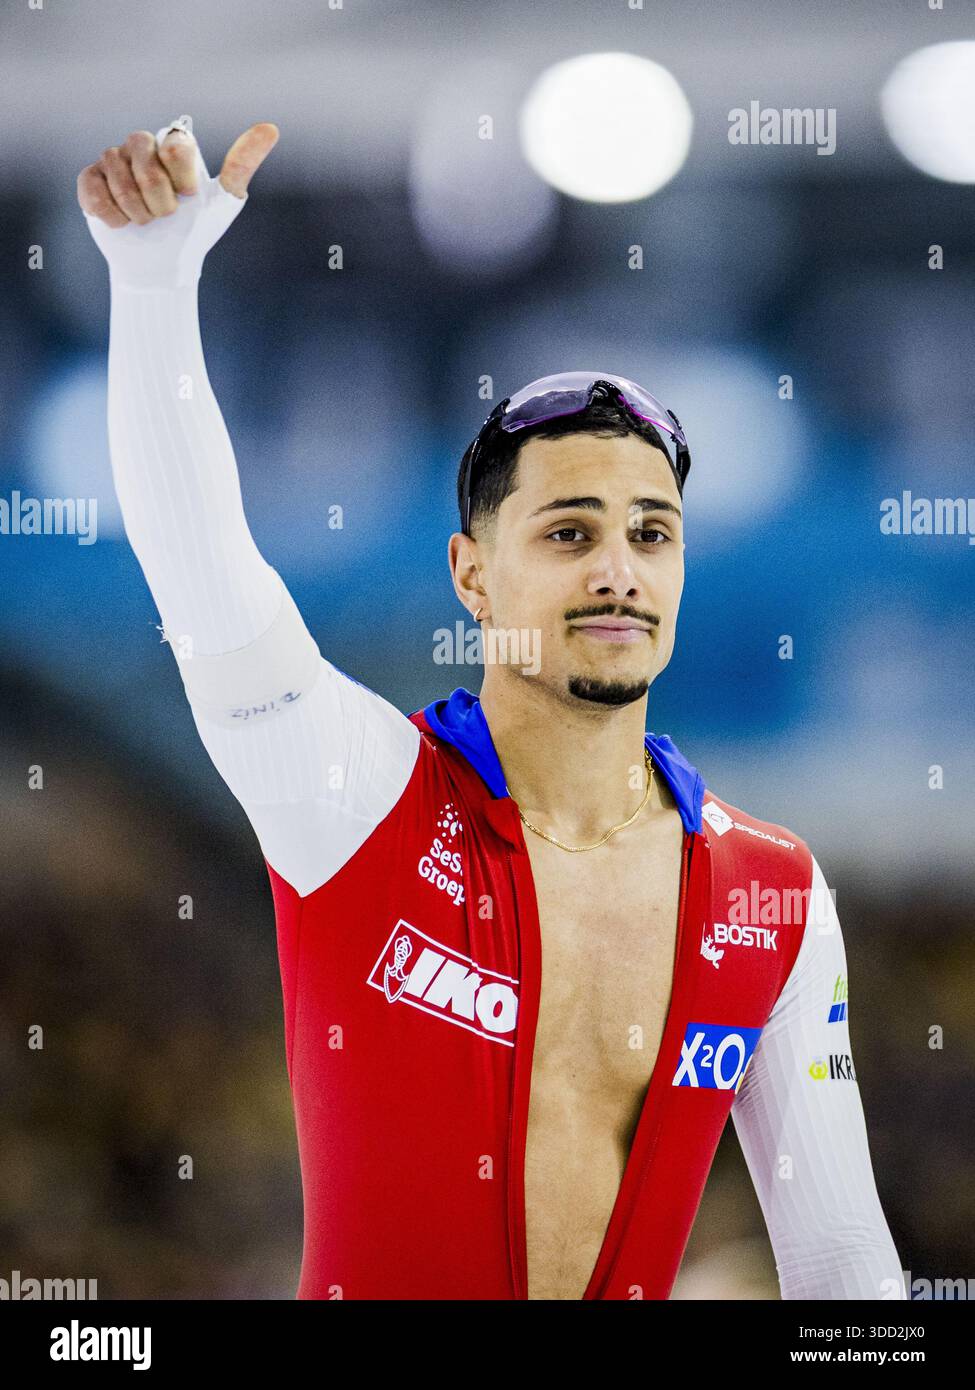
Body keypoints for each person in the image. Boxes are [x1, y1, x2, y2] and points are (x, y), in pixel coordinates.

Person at [78, 115, 906, 1301]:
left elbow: (839, 1261)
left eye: (651, 535)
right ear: (474, 575)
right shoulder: (357, 792)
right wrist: (154, 281)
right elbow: (199, 567)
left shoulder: (773, 892)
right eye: (569, 532)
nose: (618, 568)